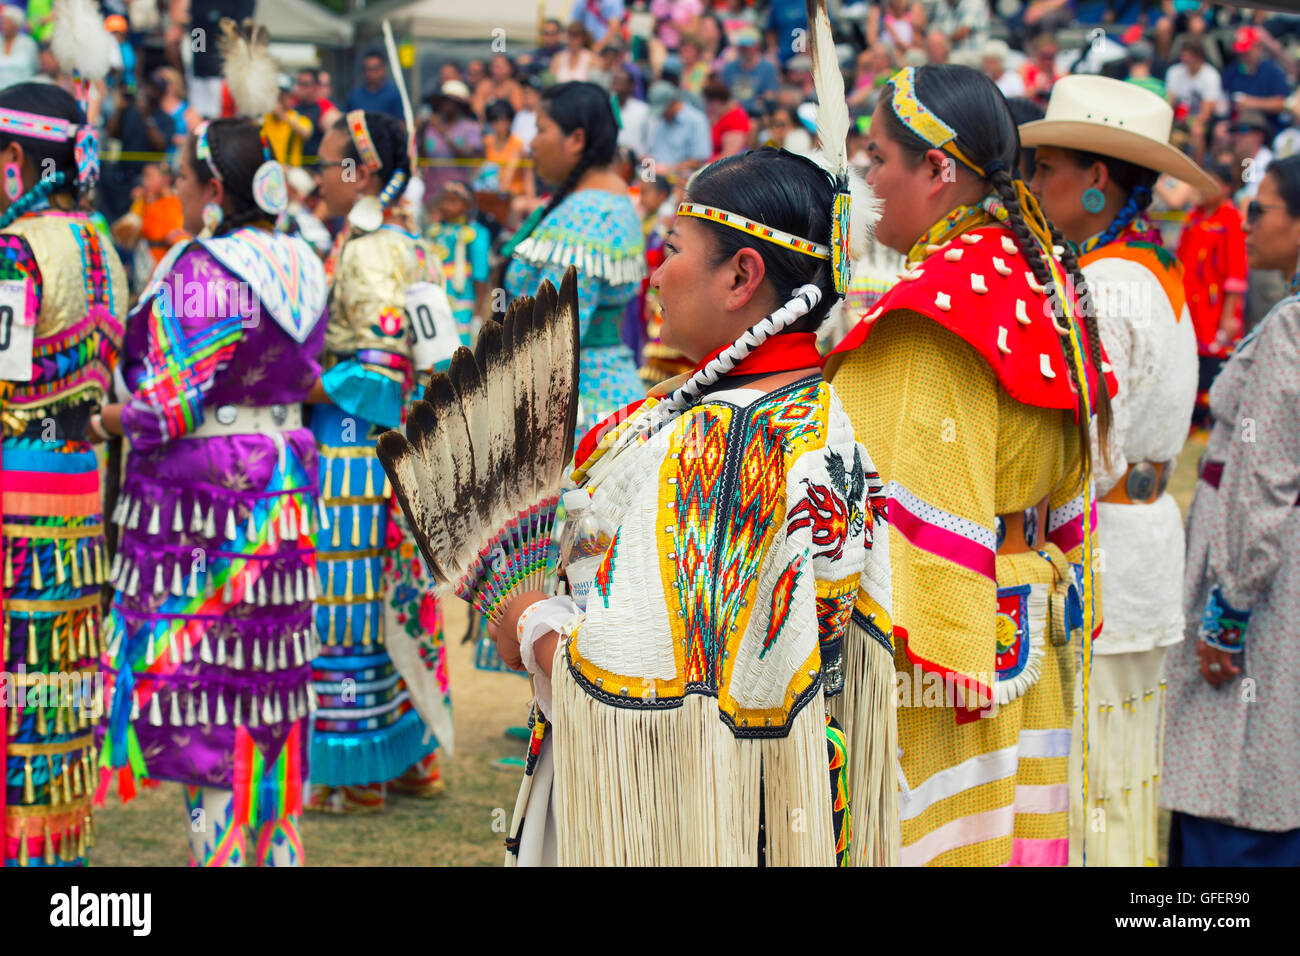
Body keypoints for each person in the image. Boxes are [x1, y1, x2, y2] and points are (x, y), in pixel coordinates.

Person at [494, 144, 890, 866]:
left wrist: (528, 625)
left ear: (742, 276)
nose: (656, 270)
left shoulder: (725, 441)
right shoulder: (817, 412)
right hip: (764, 805)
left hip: (688, 819)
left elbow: (644, 683)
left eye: (672, 247)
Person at [826, 63, 1114, 867]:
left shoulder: (935, 309)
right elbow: (1074, 481)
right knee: (1010, 840)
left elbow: (885, 502)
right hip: (1028, 605)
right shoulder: (1040, 274)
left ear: (937, 168)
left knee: (942, 844)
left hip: (949, 651)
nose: (867, 177)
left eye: (877, 157)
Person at [95, 102, 327, 864]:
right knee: (270, 681)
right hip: (282, 491)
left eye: (190, 180)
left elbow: (166, 404)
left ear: (214, 190)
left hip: (207, 503)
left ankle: (219, 854)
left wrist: (104, 422)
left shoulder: (202, 269)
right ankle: (281, 850)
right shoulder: (302, 264)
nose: (185, 193)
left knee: (209, 695)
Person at [1021, 74, 1216, 866]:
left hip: (1101, 551)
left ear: (1097, 180)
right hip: (1139, 542)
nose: (1035, 186)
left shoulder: (1106, 283)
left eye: (1049, 168)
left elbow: (1081, 448)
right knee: (1122, 771)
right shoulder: (1149, 268)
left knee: (1089, 773)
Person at [305, 110, 449, 813]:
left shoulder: (364, 252)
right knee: (400, 596)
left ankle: (358, 769)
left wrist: (301, 385)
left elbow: (376, 366)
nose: (318, 178)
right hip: (401, 451)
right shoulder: (411, 245)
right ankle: (413, 757)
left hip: (354, 451)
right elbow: (434, 358)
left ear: (359, 171)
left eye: (328, 163)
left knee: (350, 605)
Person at [0, 81, 128, 868]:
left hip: (16, 487)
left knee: (17, 659)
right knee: (54, 668)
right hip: (79, 479)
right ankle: (50, 849)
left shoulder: (16, 249)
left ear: (16, 160)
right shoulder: (101, 244)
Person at [1161, 154, 1300, 866]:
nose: (1248, 226)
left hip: (1264, 591)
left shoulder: (1291, 329)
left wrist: (1230, 610)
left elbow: (1265, 478)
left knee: (1235, 785)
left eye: (1263, 210)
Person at [1176, 161, 1248, 434]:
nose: (1204, 188)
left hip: (1215, 308)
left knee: (1212, 360)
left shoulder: (1230, 219)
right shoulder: (1194, 216)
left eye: (1212, 182)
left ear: (1227, 188)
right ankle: (1190, 420)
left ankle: (1208, 421)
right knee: (1189, 357)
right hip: (1191, 304)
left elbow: (1236, 272)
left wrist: (1229, 315)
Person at [427, 180, 489, 349]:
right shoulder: (435, 231)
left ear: (467, 205)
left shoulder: (475, 233)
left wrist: (478, 312)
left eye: (453, 201)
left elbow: (480, 273)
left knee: (460, 345)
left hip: (462, 296)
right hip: (438, 293)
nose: (446, 206)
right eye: (444, 200)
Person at [420, 80, 483, 198]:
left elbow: (467, 155)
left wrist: (444, 134)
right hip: (432, 190)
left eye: (451, 102)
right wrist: (421, 131)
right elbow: (422, 156)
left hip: (460, 190)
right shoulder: (430, 127)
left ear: (460, 105)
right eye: (444, 101)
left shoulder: (471, 127)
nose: (446, 105)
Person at [1223, 26, 1290, 136]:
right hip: (1235, 124)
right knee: (1220, 132)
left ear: (1258, 48)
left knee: (1250, 133)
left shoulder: (1272, 71)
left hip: (1265, 128)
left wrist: (1252, 103)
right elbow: (1223, 98)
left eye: (1246, 52)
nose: (1242, 57)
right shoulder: (1232, 70)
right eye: (1240, 53)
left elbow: (1282, 103)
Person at [645, 80, 711, 176]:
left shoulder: (696, 120)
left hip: (682, 181)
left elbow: (699, 160)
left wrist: (670, 169)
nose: (662, 115)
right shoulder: (662, 121)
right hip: (657, 178)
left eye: (664, 110)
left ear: (673, 103)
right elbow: (655, 152)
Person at [720, 26, 778, 112]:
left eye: (749, 47)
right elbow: (723, 96)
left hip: (757, 114)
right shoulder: (729, 68)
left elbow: (770, 96)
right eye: (743, 47)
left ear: (757, 46)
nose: (746, 50)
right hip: (733, 113)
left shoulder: (768, 68)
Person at [261, 76, 313, 168]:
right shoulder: (263, 119)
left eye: (282, 95)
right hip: (270, 170)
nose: (279, 99)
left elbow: (306, 134)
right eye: (276, 95)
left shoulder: (297, 118)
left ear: (290, 97)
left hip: (292, 171)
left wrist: (284, 117)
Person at [345, 50, 405, 120]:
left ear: (383, 69)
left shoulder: (393, 94)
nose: (371, 73)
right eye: (368, 69)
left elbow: (400, 123)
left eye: (375, 69)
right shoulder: (354, 95)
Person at [702, 76, 749, 161]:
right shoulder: (715, 115)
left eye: (708, 103)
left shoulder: (736, 118)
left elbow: (729, 155)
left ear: (716, 102)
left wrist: (703, 167)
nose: (707, 107)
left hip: (722, 167)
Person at [0, 5, 39, 90]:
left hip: (22, 92)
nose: (4, 26)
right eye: (3, 23)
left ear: (16, 26)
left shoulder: (28, 43)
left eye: (8, 23)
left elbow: (35, 68)